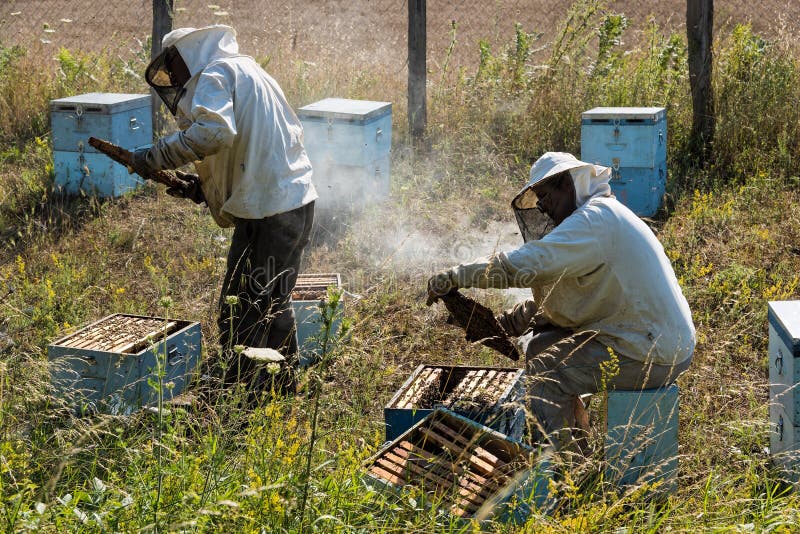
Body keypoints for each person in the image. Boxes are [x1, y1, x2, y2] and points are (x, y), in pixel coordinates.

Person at [427, 152, 695, 449]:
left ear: (568, 184)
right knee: (541, 346)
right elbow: (559, 301)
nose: (542, 206)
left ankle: (558, 476)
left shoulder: (595, 221)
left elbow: (526, 265)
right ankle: (576, 446)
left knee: (547, 372)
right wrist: (502, 324)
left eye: (545, 195)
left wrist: (456, 276)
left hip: (652, 350)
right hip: (645, 337)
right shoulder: (595, 221)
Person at [132, 25, 318, 391]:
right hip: (291, 204)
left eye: (174, 66)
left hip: (270, 212)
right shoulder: (249, 70)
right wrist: (200, 187)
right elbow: (254, 149)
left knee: (243, 309)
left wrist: (155, 157)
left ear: (189, 54)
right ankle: (283, 384)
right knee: (270, 300)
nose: (173, 78)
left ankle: (241, 397)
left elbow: (215, 134)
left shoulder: (215, 73)